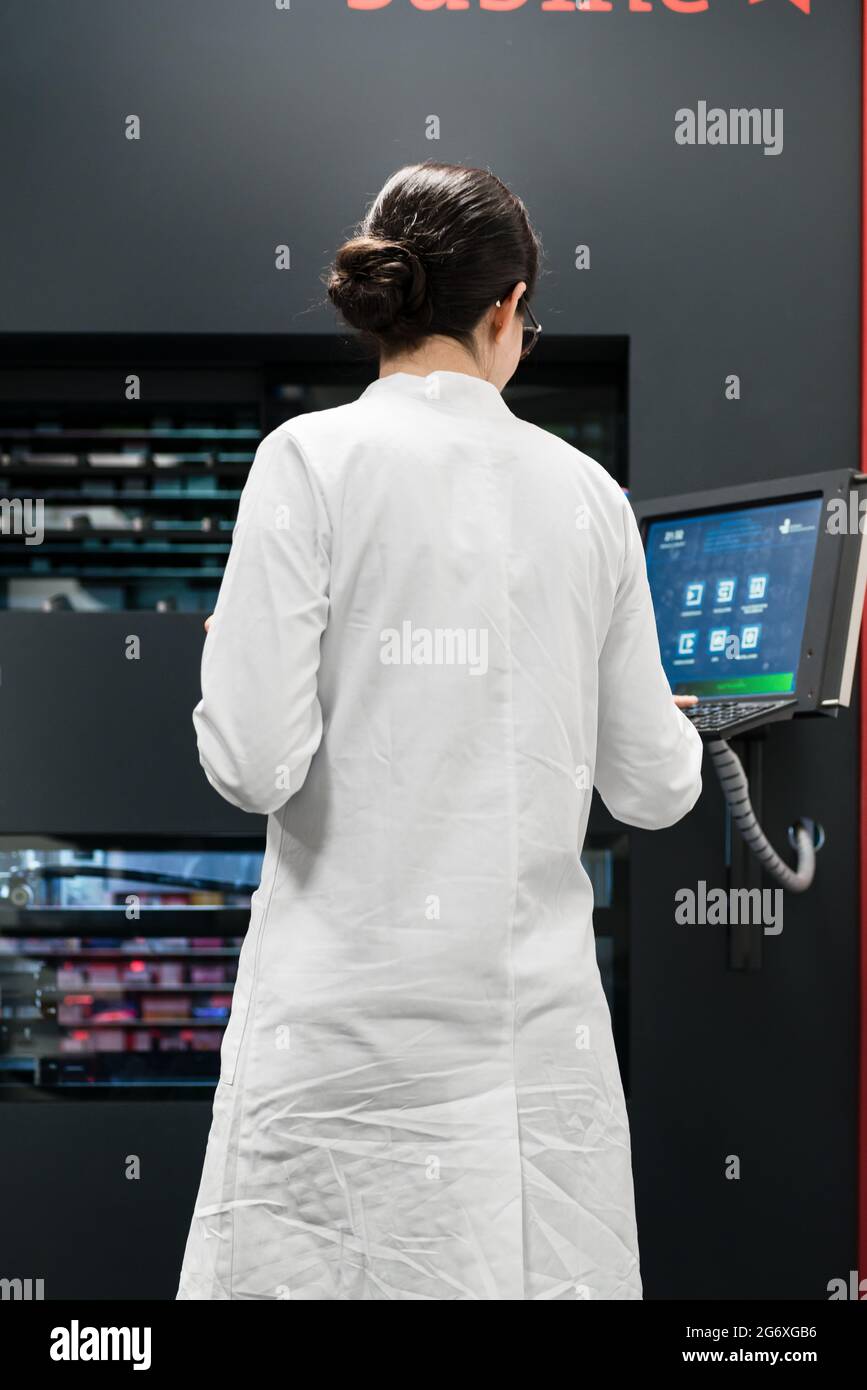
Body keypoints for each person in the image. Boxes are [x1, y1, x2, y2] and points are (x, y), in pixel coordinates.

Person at [177, 161, 703, 1301]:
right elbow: (654, 791)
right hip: (527, 1062)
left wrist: (236, 649)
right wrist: (669, 727)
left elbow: (253, 760)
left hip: (342, 1061)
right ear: (508, 308)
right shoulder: (586, 495)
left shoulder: (306, 463)